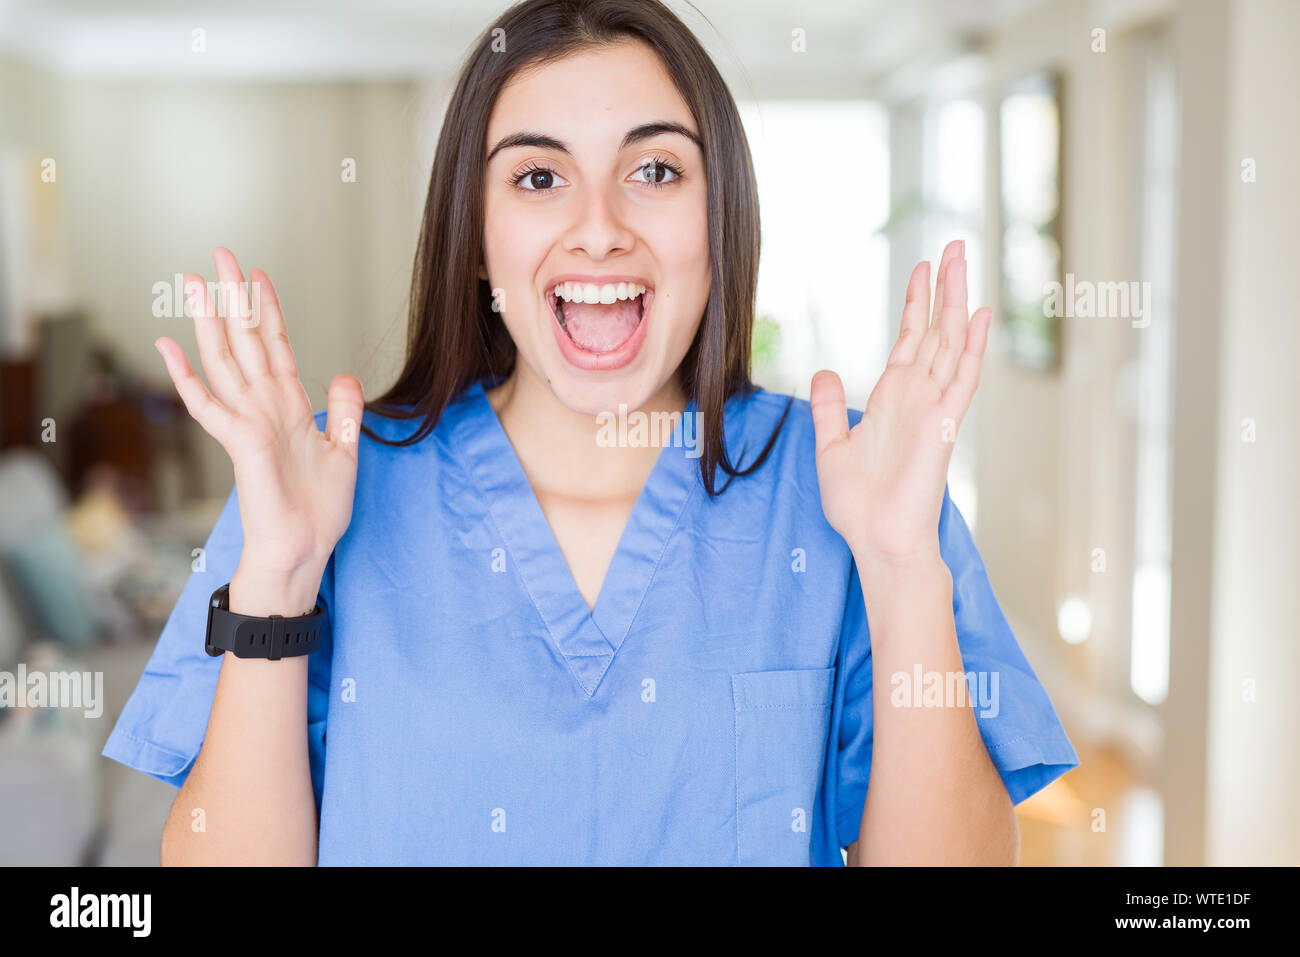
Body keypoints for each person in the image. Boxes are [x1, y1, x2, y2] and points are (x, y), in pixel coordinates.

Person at [104, 0, 1078, 866]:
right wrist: (277, 572)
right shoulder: (316, 487)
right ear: (475, 234)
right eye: (537, 178)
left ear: (721, 219)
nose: (599, 227)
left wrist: (903, 567)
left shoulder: (852, 489)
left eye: (654, 169)